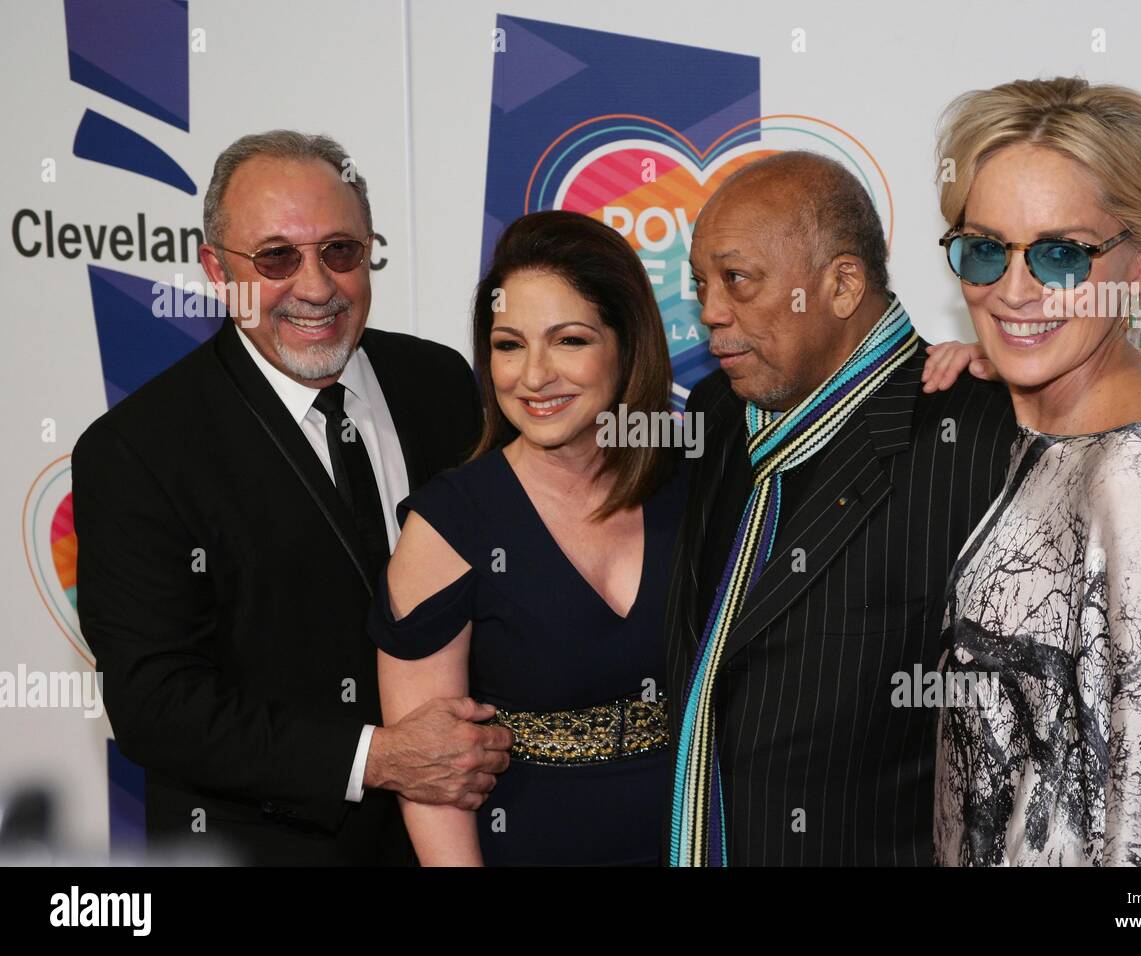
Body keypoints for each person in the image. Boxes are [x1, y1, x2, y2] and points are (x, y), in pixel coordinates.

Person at [72, 131, 510, 866]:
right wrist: (377, 757)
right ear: (216, 269)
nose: (316, 286)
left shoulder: (441, 384)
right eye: (277, 258)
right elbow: (156, 704)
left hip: (463, 838)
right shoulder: (139, 448)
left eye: (340, 250)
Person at [666, 151, 1018, 866]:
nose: (708, 310)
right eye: (701, 283)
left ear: (843, 284)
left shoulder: (983, 437)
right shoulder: (714, 413)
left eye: (737, 279)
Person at [926, 78, 1141, 865]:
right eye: (986, 249)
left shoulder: (1136, 472)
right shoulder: (1049, 417)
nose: (1016, 290)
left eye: (1063, 253)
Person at [369, 210, 686, 866]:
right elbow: (432, 778)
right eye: (509, 344)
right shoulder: (449, 526)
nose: (534, 375)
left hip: (696, 839)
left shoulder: (696, 483)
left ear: (626, 345)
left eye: (568, 340)